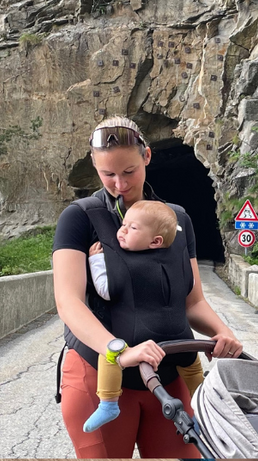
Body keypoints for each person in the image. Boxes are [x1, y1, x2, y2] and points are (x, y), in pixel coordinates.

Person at [53, 116, 243, 458]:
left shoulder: (176, 221)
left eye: (128, 171)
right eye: (107, 174)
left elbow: (192, 301)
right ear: (94, 164)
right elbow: (68, 302)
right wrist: (118, 351)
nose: (119, 184)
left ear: (147, 157)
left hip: (169, 377)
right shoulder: (80, 217)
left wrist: (221, 331)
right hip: (101, 380)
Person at [83, 200, 180, 433]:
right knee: (192, 365)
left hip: (133, 330)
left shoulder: (125, 264)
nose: (122, 230)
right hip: (172, 331)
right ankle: (203, 405)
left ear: (155, 241)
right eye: (123, 224)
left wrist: (96, 261)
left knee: (109, 352)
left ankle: (108, 403)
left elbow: (106, 291)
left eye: (132, 228)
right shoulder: (170, 262)